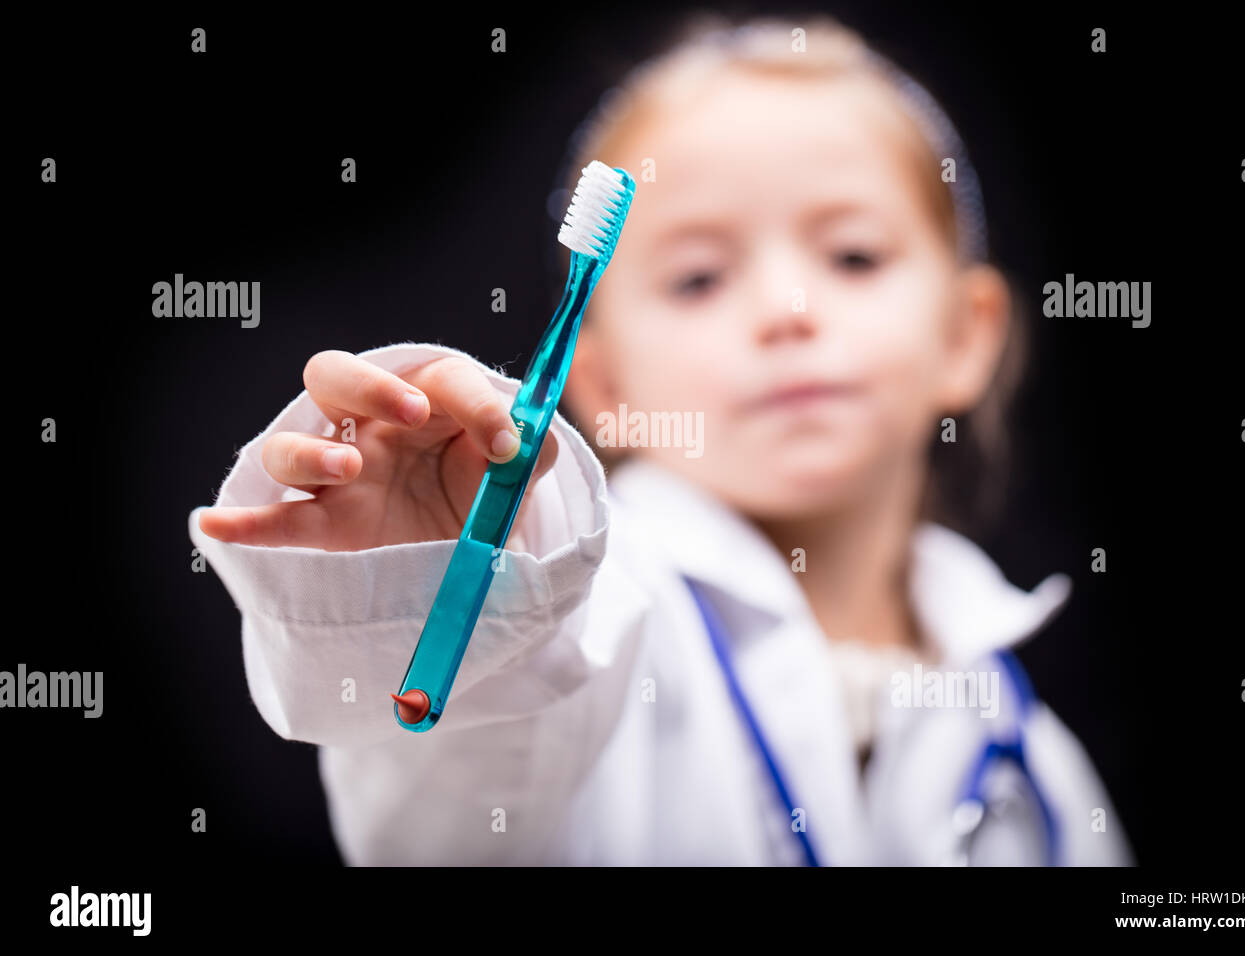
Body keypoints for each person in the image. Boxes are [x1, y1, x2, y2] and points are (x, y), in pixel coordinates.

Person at [189, 14, 1134, 865]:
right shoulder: (588, 619)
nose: (785, 310)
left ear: (966, 335)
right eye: (697, 278)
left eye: (852, 255)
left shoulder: (1037, 756)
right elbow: (461, 779)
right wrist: (434, 575)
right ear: (600, 382)